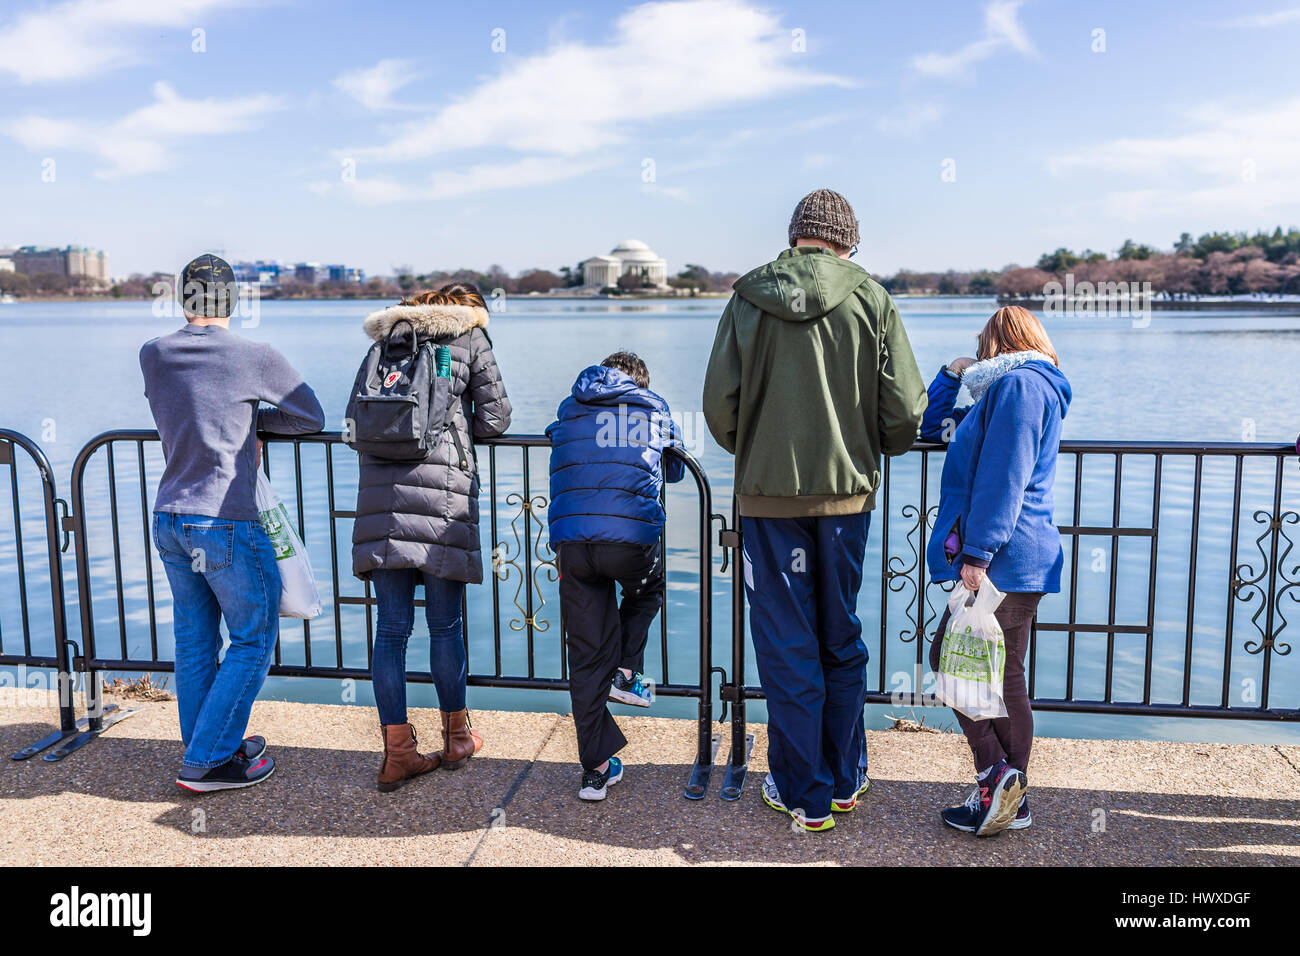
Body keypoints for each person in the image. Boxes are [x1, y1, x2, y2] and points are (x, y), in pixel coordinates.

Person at [703, 189, 927, 831]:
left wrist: (756, 448)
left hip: (769, 502)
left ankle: (805, 791)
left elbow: (720, 406)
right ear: (848, 242)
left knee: (785, 642)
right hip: (847, 495)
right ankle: (846, 777)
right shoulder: (872, 298)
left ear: (795, 237)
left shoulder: (748, 297)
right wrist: (874, 445)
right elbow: (906, 412)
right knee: (840, 635)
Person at [141, 254, 325, 792]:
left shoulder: (154, 354)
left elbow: (190, 406)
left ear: (182, 298)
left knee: (196, 640)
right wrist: (254, 423)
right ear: (234, 302)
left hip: (170, 515)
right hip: (225, 517)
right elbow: (309, 417)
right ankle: (209, 760)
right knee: (252, 638)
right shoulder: (256, 356)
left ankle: (209, 741)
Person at [351, 283, 511, 792]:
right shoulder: (469, 339)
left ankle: (397, 753)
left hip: (382, 503)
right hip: (443, 504)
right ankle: (457, 736)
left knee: (391, 630)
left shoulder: (387, 339)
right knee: (445, 627)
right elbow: (495, 418)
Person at [920, 305, 1071, 837]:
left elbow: (1005, 477)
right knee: (1000, 676)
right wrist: (950, 375)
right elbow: (930, 426)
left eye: (981, 345)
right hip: (1013, 555)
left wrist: (978, 552)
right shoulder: (998, 393)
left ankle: (997, 776)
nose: (978, 352)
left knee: (953, 662)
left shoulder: (1021, 389)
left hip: (1005, 557)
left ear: (997, 342)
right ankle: (1009, 795)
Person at [546, 351, 684, 801]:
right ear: (640, 383)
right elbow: (676, 469)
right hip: (628, 544)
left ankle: (595, 772)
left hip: (573, 545)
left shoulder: (570, 407)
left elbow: (557, 439)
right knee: (647, 590)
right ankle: (626, 670)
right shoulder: (652, 406)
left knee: (586, 657)